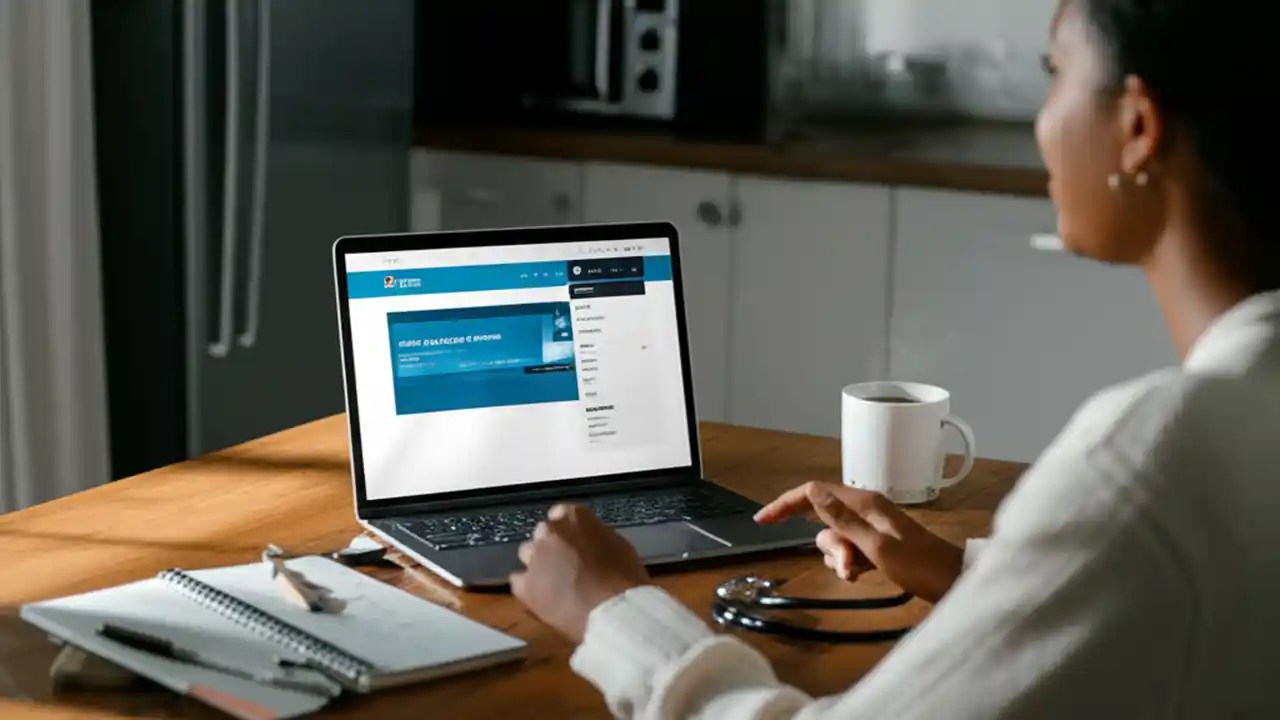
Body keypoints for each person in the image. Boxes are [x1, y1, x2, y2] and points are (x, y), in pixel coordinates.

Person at [511, 0, 1280, 717]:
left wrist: (613, 610)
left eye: (1055, 75)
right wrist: (981, 578)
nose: (1041, 122)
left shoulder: (1149, 456)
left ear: (1138, 124)